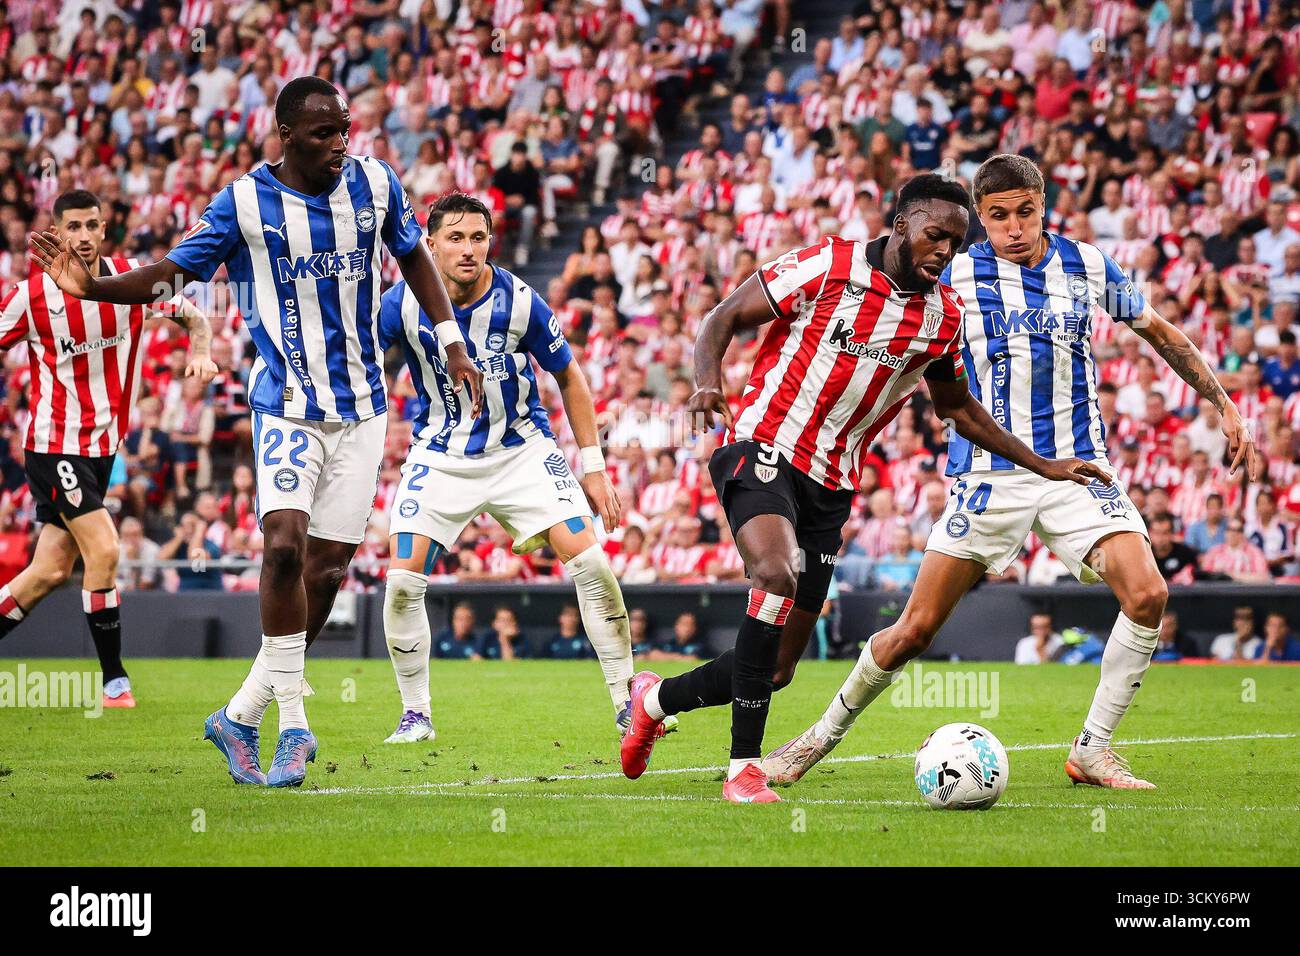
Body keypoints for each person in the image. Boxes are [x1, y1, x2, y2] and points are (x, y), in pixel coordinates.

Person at [30, 77, 484, 787]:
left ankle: (240, 712)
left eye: (343, 130)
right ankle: (295, 728)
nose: (339, 144)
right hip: (286, 403)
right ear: (286, 135)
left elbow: (414, 254)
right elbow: (174, 274)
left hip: (363, 409)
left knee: (327, 572)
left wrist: (451, 339)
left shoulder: (376, 184)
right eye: (323, 133)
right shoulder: (244, 203)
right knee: (281, 550)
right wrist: (94, 290)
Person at [768, 154, 1260, 792]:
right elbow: (892, 330)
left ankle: (1093, 750)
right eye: (997, 216)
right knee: (914, 630)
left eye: (1025, 212)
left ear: (1043, 205)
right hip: (988, 475)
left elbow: (1161, 332)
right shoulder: (956, 272)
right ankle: (809, 744)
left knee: (1149, 595)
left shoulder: (1086, 265)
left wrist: (1223, 402)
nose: (1014, 228)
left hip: (1078, 470)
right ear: (981, 219)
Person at [619, 173, 1110, 804]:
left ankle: (654, 700)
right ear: (901, 222)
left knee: (775, 669)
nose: (944, 252)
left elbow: (959, 411)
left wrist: (1043, 464)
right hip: (763, 444)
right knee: (774, 576)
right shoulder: (828, 265)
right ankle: (743, 768)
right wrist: (706, 382)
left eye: (956, 244)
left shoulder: (942, 318)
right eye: (935, 235)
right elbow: (724, 317)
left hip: (831, 483)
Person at [375, 192, 632, 745]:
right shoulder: (400, 303)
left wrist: (593, 466)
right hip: (440, 455)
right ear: (431, 244)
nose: (469, 250)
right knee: (400, 581)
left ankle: (627, 702)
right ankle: (416, 715)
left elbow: (571, 378)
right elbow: (363, 363)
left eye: (479, 237)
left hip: (522, 452)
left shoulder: (520, 301)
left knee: (593, 567)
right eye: (455, 238)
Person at [0, 189, 216, 709]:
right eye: (71, 227)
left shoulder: (131, 279)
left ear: (103, 229)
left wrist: (202, 352)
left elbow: (194, 316)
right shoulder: (30, 297)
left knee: (48, 572)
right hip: (56, 445)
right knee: (105, 550)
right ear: (57, 232)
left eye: (91, 225)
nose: (83, 236)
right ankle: (115, 682)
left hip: (103, 450)